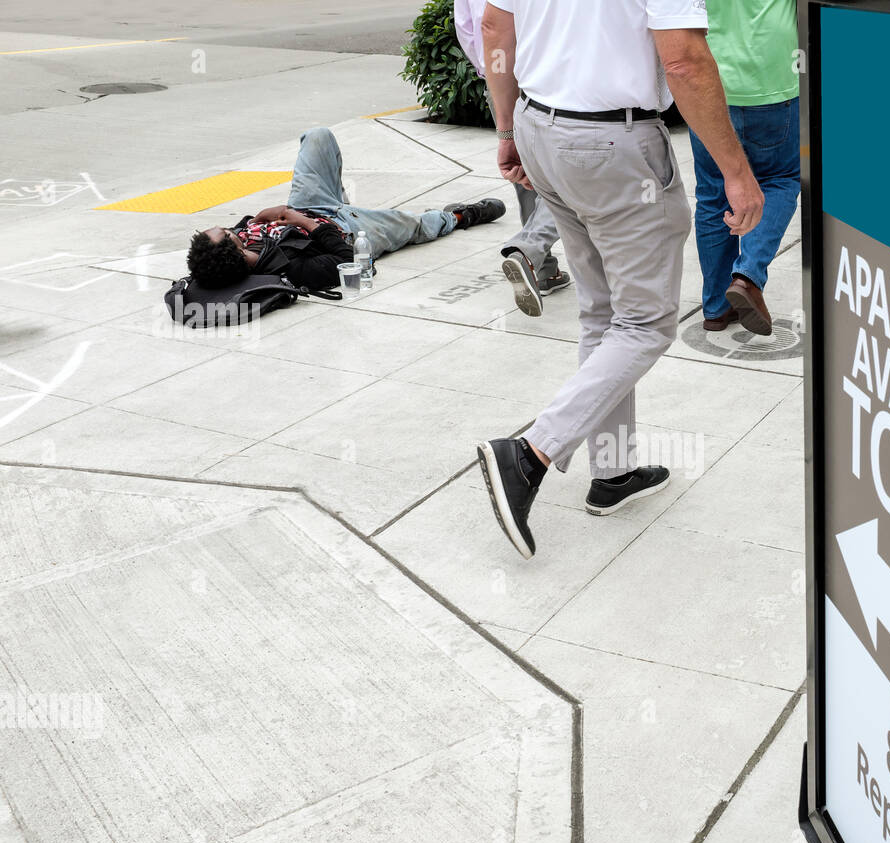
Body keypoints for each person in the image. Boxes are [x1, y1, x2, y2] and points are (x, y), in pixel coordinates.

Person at [475, 0, 764, 560]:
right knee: (645, 325)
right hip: (610, 145)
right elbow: (683, 61)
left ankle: (612, 473)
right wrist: (736, 171)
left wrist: (507, 126)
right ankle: (530, 453)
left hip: (539, 125)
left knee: (603, 314)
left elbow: (494, 25)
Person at [186, 126, 506, 291]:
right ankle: (459, 216)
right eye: (227, 232)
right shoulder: (290, 269)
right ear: (236, 250)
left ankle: (334, 194)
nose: (232, 228)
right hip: (348, 230)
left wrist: (259, 218)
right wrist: (303, 223)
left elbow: (226, 247)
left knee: (318, 137)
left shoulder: (232, 247)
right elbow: (351, 262)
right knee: (416, 226)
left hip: (306, 205)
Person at [454, 0, 572, 316]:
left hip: (497, 77)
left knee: (524, 175)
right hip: (546, 75)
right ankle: (529, 251)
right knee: (568, 177)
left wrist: (489, 71)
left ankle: (543, 269)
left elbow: (469, 26)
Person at [690, 0, 801, 335]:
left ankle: (715, 308)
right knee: (780, 179)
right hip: (772, 81)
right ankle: (747, 276)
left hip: (709, 84)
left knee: (712, 195)